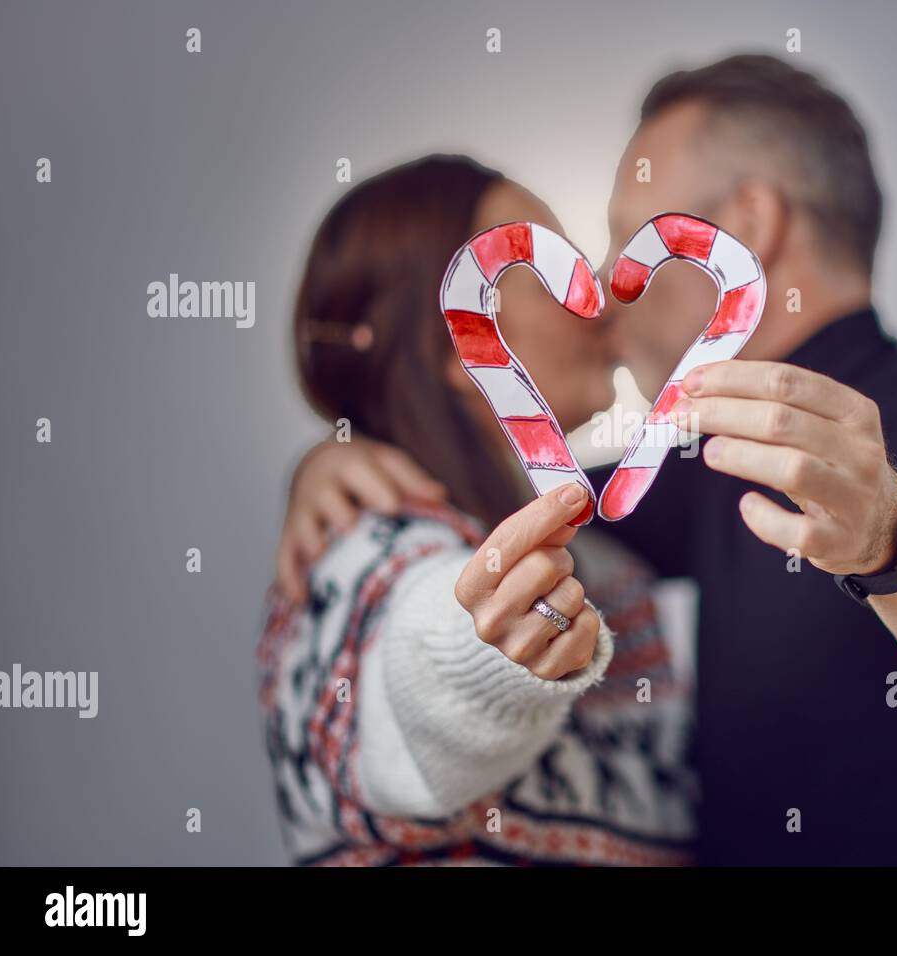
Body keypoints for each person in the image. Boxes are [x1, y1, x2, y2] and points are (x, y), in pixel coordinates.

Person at [276, 56, 897, 865]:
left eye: (623, 235)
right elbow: (510, 523)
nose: (601, 282)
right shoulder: (700, 467)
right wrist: (347, 446)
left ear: (745, 227)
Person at [257, 154, 695, 866]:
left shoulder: (610, 553)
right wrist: (492, 645)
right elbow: (416, 657)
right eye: (549, 266)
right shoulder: (363, 551)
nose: (601, 300)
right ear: (456, 339)